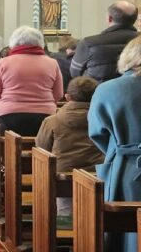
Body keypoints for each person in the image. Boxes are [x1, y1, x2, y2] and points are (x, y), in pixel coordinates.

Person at [88, 33, 141, 252]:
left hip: (125, 167)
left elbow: (98, 133)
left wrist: (120, 149)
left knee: (124, 230)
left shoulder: (107, 89)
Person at [36, 76, 103, 220]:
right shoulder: (104, 120)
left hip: (63, 177)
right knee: (94, 216)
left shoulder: (52, 121)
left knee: (66, 216)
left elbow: (42, 149)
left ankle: (65, 235)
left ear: (67, 97)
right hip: (98, 176)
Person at [0, 26, 63, 135]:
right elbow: (58, 94)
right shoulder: (52, 63)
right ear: (40, 42)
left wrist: (5, 104)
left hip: (9, 115)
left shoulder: (4, 62)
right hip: (44, 116)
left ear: (14, 42)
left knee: (5, 144)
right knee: (43, 146)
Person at [70, 0, 138, 82]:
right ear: (134, 19)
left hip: (97, 91)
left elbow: (75, 73)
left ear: (109, 18)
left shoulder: (89, 43)